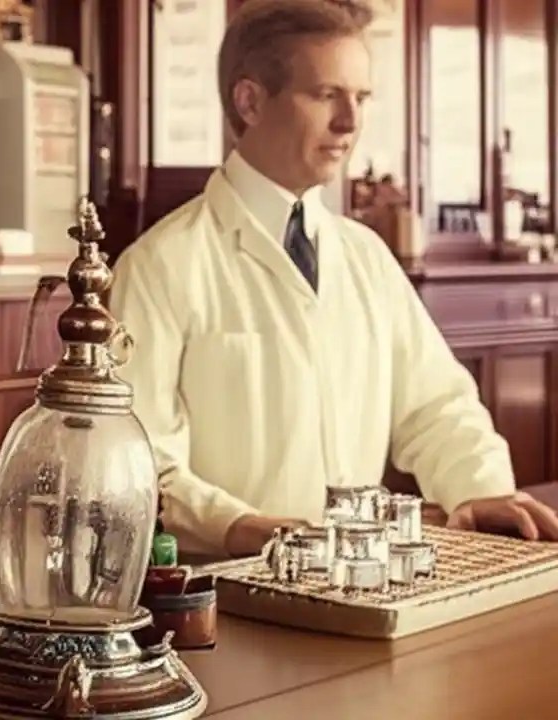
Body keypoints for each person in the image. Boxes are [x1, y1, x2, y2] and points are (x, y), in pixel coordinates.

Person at [108, 0, 558, 557]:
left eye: (361, 97)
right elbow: (139, 462)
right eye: (326, 96)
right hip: (228, 596)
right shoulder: (160, 266)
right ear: (249, 101)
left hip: (361, 584)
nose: (351, 121)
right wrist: (249, 529)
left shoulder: (365, 256)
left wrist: (486, 495)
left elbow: (436, 407)